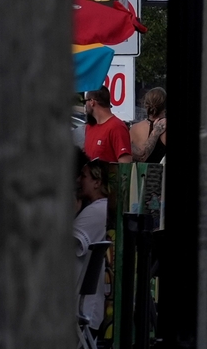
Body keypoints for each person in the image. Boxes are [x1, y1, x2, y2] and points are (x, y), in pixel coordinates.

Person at [74, 156, 111, 332]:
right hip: (88, 304)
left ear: (97, 182)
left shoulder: (95, 211)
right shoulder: (100, 209)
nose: (79, 180)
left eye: (84, 176)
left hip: (80, 303)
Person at [83, 87, 132, 164]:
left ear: (92, 102)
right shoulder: (89, 127)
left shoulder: (117, 127)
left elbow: (125, 165)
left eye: (85, 101)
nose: (85, 105)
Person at [130, 87, 167, 164]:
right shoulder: (165, 128)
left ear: (146, 105)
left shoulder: (134, 128)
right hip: (160, 174)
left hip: (138, 175)